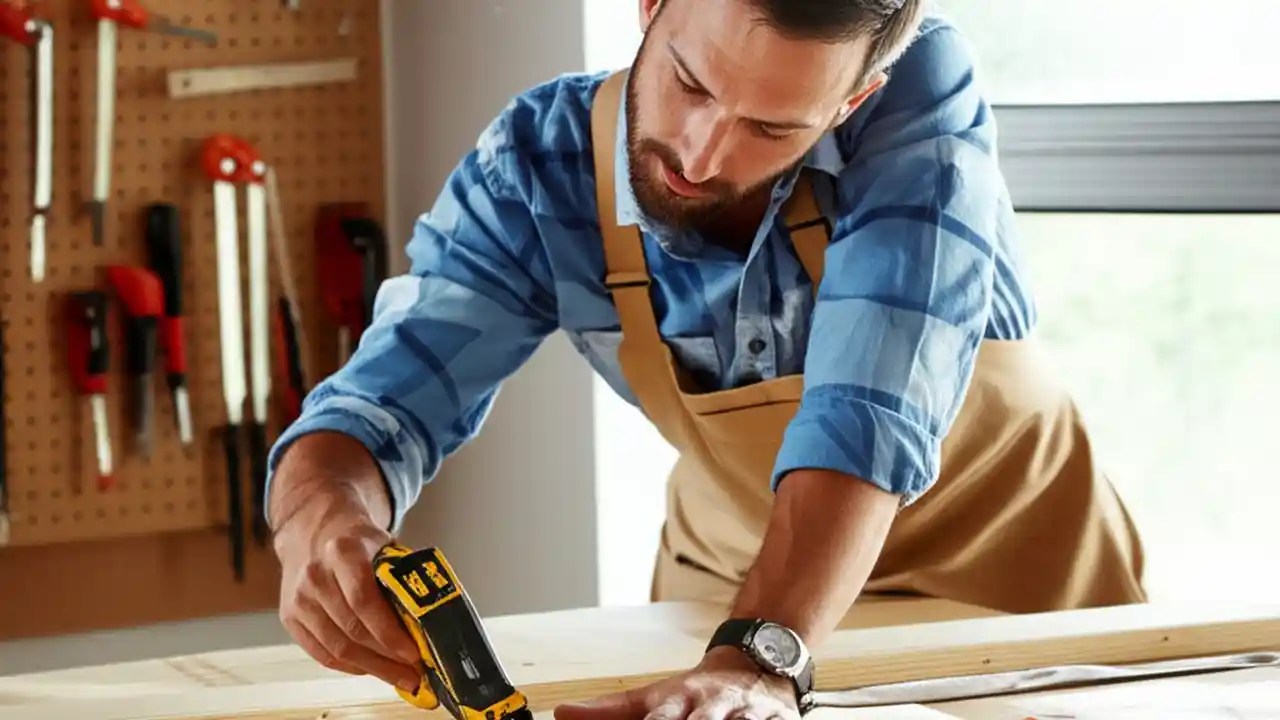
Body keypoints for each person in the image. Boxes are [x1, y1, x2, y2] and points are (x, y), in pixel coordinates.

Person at [263, 1, 1149, 718]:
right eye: (690, 83)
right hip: (732, 582)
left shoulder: (917, 87)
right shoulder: (539, 167)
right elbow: (377, 409)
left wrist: (762, 657)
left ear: (852, 100)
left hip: (1010, 576)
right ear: (650, 5)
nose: (703, 153)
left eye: (772, 127)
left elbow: (869, 406)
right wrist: (318, 519)